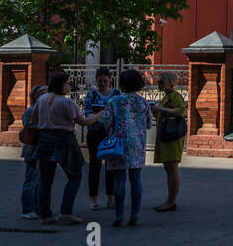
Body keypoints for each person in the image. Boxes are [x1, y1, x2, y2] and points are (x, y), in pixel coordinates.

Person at [34, 72, 101, 225]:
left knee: (45, 180)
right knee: (75, 175)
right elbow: (83, 122)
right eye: (68, 83)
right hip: (64, 139)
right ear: (61, 84)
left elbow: (34, 119)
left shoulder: (42, 99)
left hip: (44, 139)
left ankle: (45, 214)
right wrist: (99, 115)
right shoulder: (67, 103)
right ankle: (66, 211)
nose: (70, 86)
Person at [93, 68, 154, 227]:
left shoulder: (115, 101)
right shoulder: (143, 102)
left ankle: (119, 215)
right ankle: (135, 214)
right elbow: (148, 124)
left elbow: (105, 121)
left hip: (118, 145)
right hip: (137, 145)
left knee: (119, 180)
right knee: (136, 180)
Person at [82, 67, 120, 210]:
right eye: (100, 81)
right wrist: (103, 115)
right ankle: (94, 199)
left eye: (105, 81)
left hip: (111, 135)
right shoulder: (91, 95)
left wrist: (100, 116)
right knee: (94, 166)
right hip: (95, 134)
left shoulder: (117, 94)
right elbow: (88, 115)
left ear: (110, 80)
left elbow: (120, 113)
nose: (103, 84)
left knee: (111, 166)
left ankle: (111, 198)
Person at [151, 72, 186, 211]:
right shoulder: (167, 97)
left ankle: (171, 201)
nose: (158, 84)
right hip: (166, 135)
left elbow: (180, 111)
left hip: (172, 136)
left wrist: (160, 109)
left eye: (161, 82)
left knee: (172, 168)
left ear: (168, 82)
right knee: (168, 167)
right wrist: (156, 111)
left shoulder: (175, 96)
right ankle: (170, 200)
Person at [19, 85, 47, 220]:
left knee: (39, 180)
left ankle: (37, 207)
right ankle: (27, 209)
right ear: (35, 96)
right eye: (42, 94)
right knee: (31, 181)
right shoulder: (31, 111)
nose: (45, 97)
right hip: (31, 149)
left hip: (39, 149)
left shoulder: (43, 110)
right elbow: (31, 128)